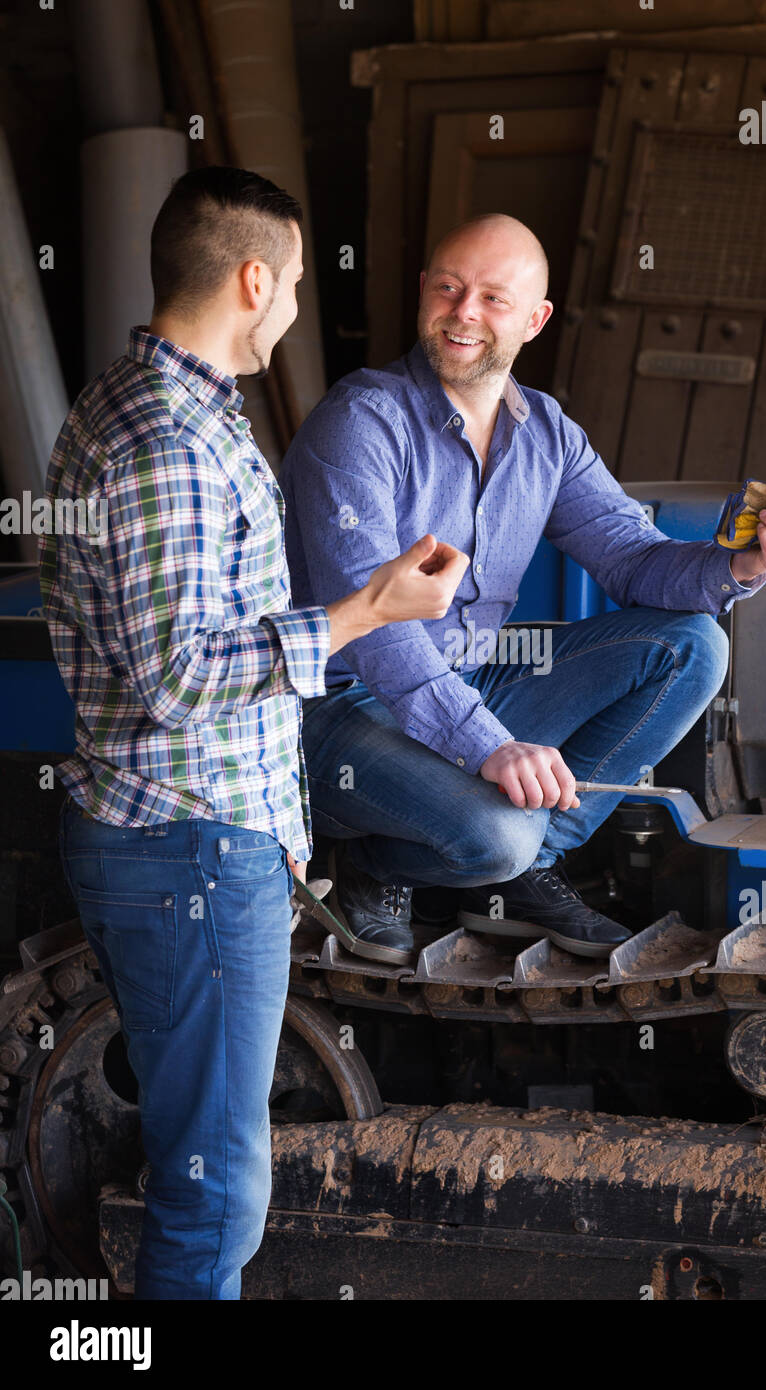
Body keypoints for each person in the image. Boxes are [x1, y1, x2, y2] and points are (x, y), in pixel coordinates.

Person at [39, 166, 468, 1300]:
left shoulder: (166, 406)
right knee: (214, 1191)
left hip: (190, 836)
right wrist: (367, 610)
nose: (295, 306)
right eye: (294, 284)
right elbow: (177, 676)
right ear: (253, 280)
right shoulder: (165, 445)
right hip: (190, 844)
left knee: (207, 1169)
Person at [280, 212, 766, 964]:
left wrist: (737, 563)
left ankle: (520, 867)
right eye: (448, 288)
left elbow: (633, 561)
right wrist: (490, 746)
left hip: (467, 680)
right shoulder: (361, 422)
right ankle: (377, 865)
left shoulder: (546, 433)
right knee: (495, 831)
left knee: (692, 645)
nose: (463, 312)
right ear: (423, 290)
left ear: (534, 321)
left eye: (493, 298)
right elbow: (377, 630)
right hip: (342, 707)